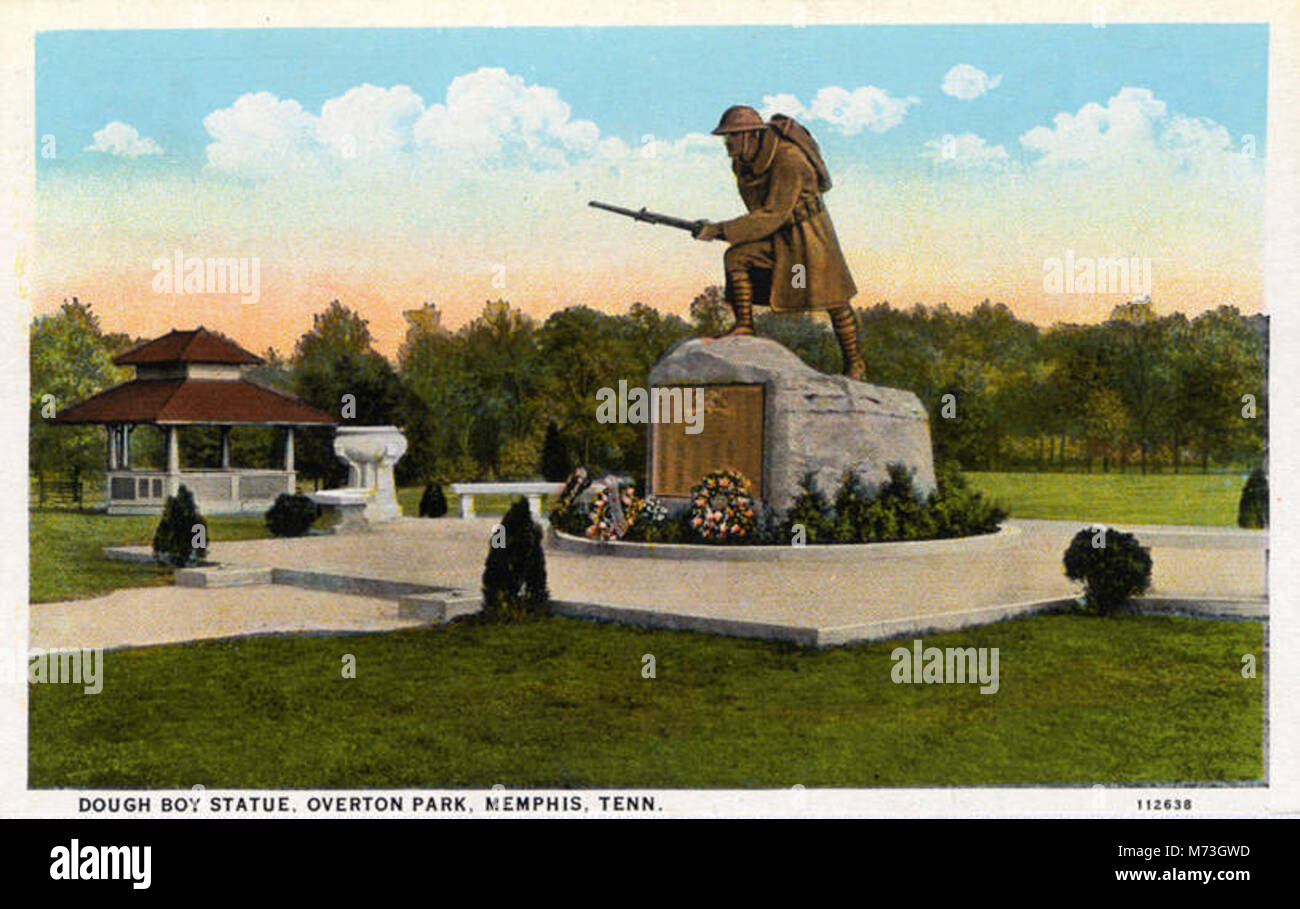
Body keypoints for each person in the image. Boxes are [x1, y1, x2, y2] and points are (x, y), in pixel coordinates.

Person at [693, 104, 866, 380]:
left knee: (835, 298)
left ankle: (855, 363)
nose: (727, 143)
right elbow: (761, 213)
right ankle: (745, 326)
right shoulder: (743, 163)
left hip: (809, 234)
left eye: (732, 136)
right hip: (777, 234)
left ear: (750, 135)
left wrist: (720, 229)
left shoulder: (789, 159)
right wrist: (719, 229)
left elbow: (773, 213)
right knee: (736, 257)